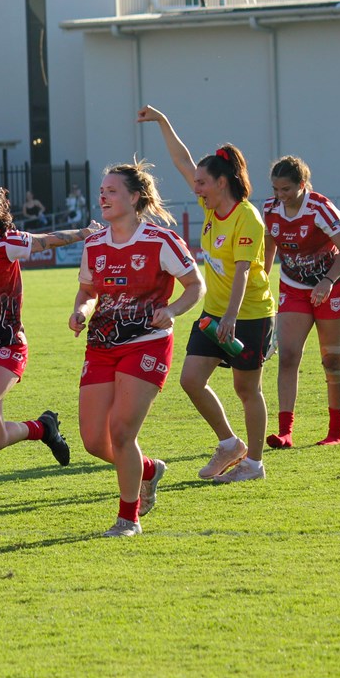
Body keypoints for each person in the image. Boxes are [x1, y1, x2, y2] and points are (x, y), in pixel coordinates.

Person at [139, 105, 276, 483]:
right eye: (196, 182)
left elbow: (244, 273)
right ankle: (230, 445)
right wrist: (164, 121)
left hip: (248, 315)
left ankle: (254, 464)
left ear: (221, 182)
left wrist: (230, 318)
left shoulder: (247, 217)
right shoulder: (210, 205)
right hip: (215, 312)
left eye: (202, 182)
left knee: (246, 389)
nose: (195, 187)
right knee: (190, 380)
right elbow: (183, 161)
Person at [70, 162, 204, 537]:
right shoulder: (94, 244)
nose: (103, 197)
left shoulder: (160, 241)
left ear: (134, 197)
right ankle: (147, 468)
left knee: (122, 431)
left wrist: (173, 310)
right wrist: (81, 310)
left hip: (146, 343)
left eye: (112, 191)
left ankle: (128, 518)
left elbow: (195, 285)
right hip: (100, 345)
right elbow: (88, 290)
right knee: (95, 441)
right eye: (102, 191)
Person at [0, 180, 94, 472]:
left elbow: (49, 239)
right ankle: (44, 428)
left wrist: (86, 233)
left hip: (6, 345)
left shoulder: (5, 244)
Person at [263, 156, 340, 447]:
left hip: (331, 288)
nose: (280, 196)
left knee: (332, 361)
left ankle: (335, 432)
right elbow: (268, 249)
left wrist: (327, 281)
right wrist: (262, 282)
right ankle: (285, 432)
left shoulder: (320, 209)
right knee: (288, 356)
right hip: (292, 287)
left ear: (302, 185)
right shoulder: (270, 209)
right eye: (276, 189)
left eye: (287, 189)